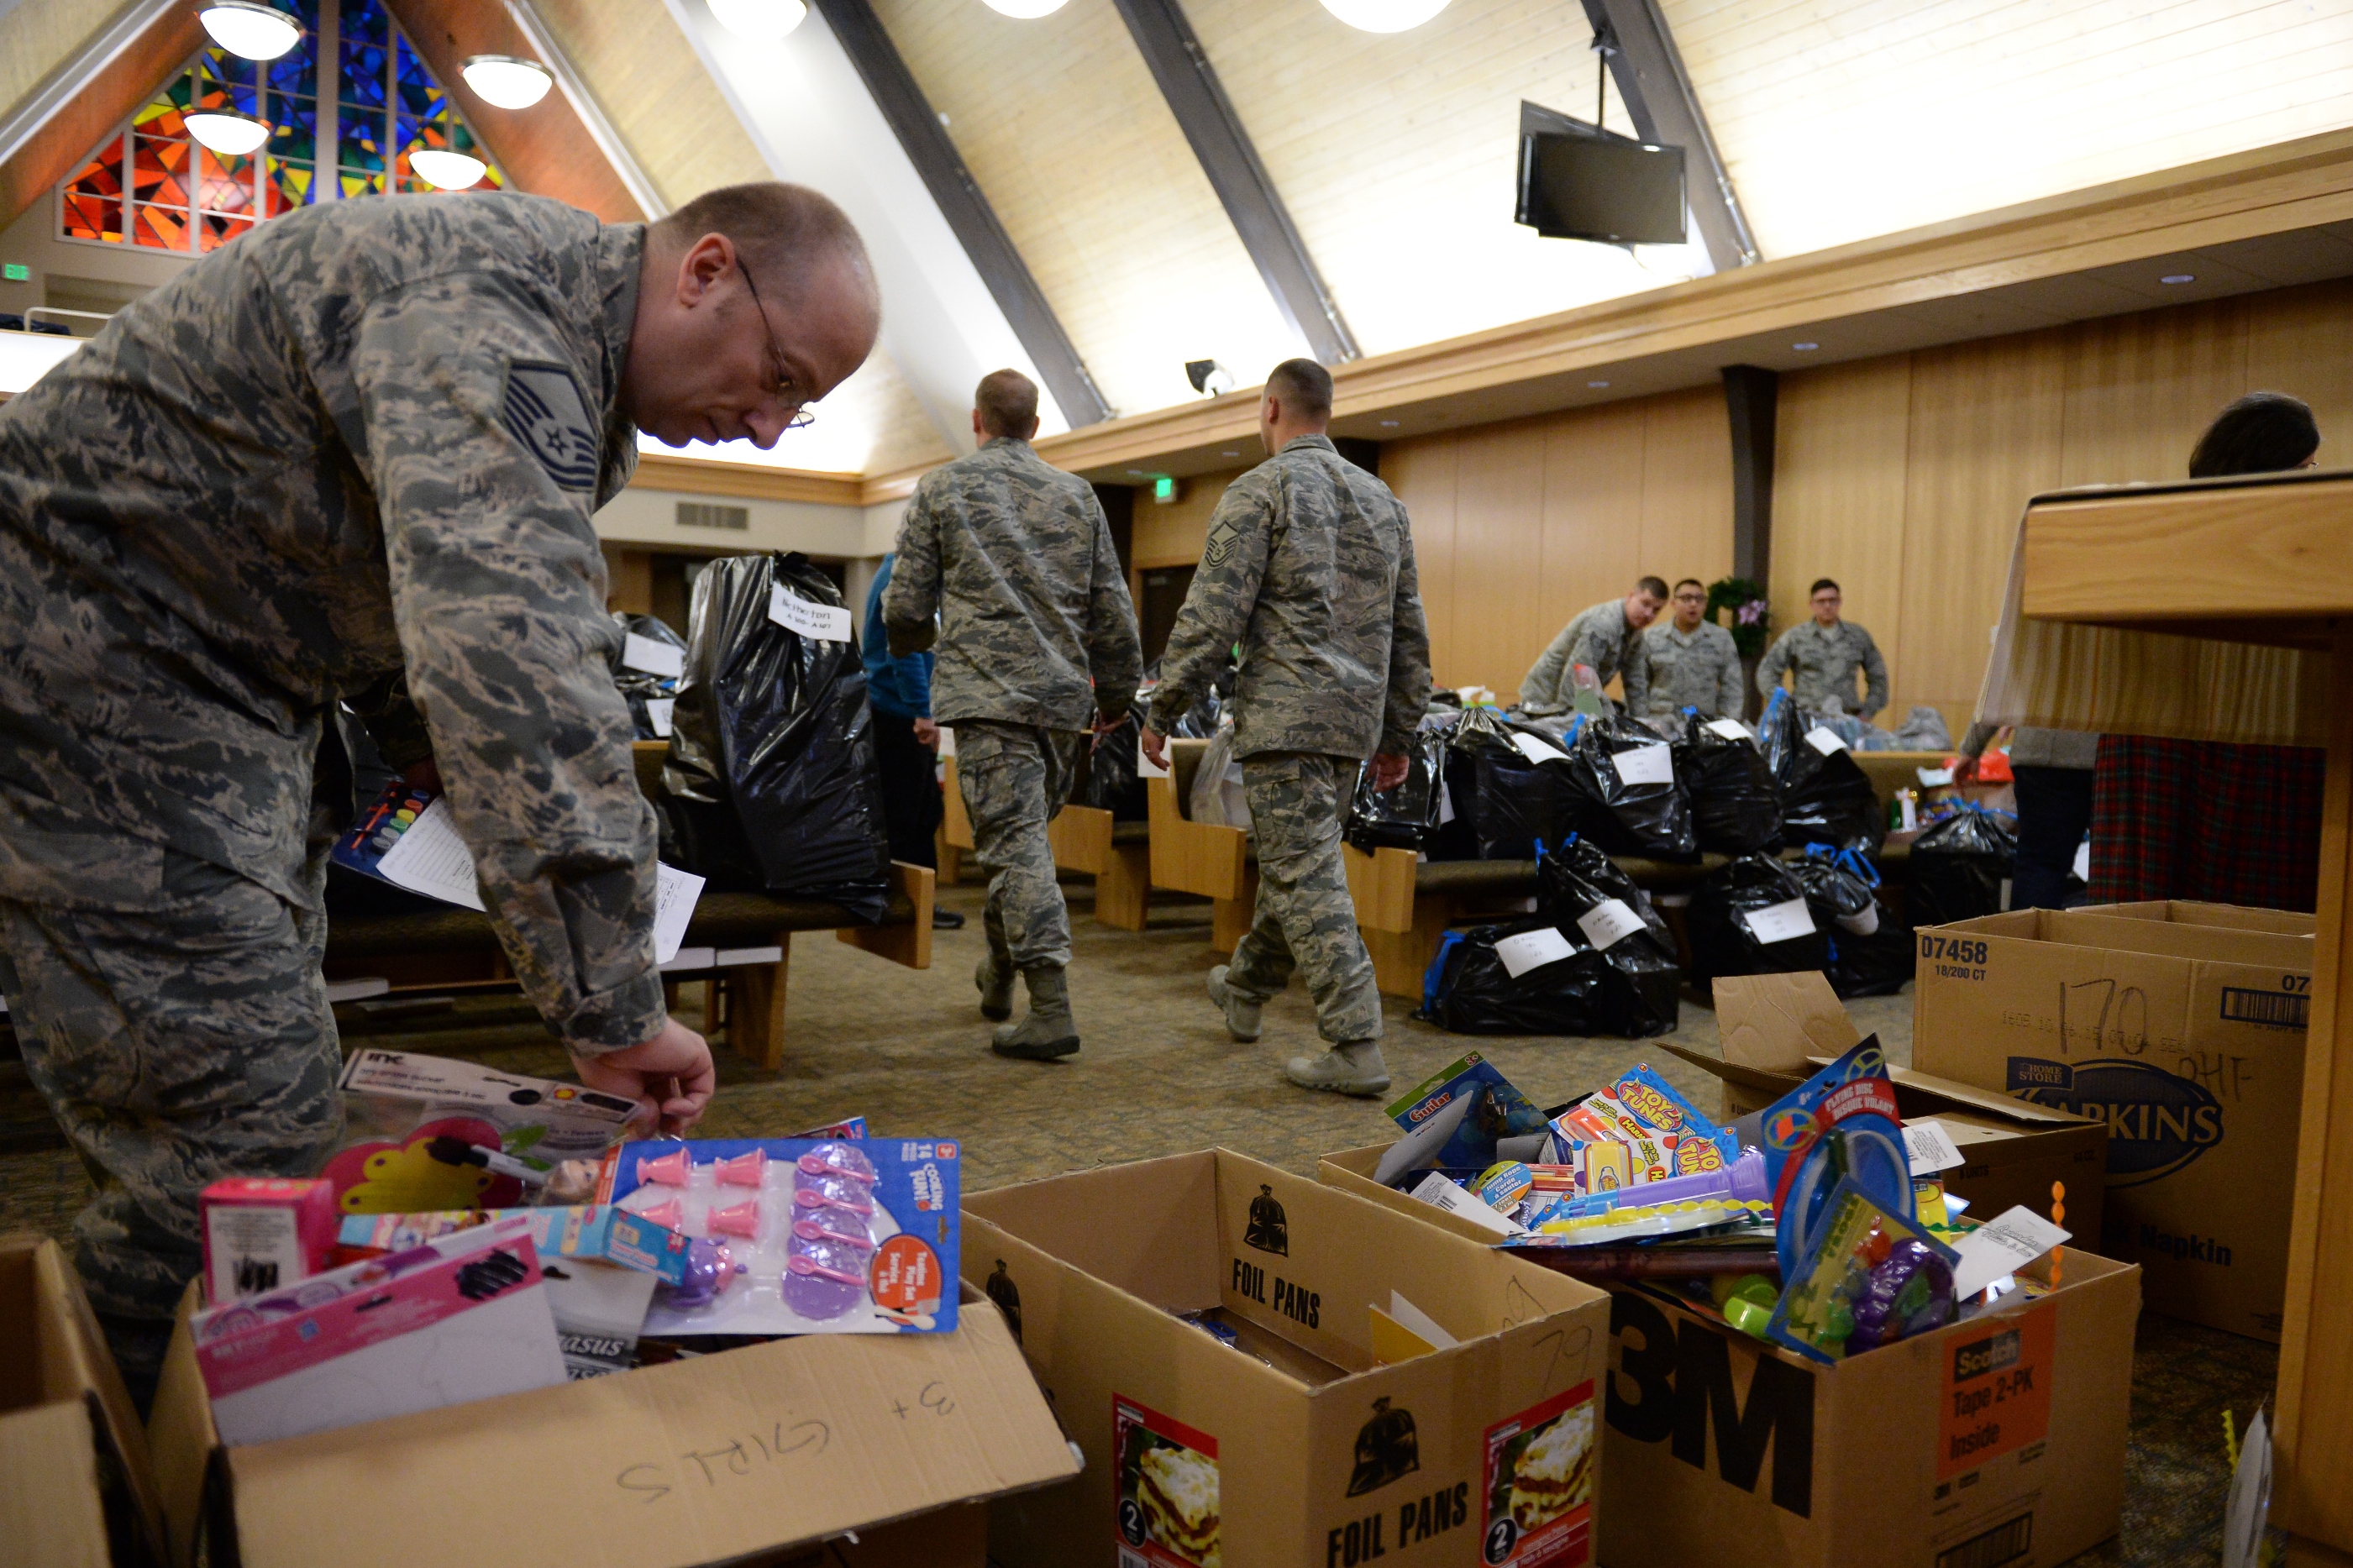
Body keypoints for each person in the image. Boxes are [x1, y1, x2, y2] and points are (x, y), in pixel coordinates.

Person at [0, 181, 881, 1398]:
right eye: (782, 375)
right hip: (89, 677)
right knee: (228, 1158)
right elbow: (516, 657)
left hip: (197, 693)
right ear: (706, 271)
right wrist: (616, 1006)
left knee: (247, 1117)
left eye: (804, 404)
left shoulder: (564, 357)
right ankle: (93, 1475)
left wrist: (426, 754)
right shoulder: (492, 311)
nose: (775, 426)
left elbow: (407, 584)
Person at [1142, 359, 1431, 1097]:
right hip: (1352, 728)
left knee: (1304, 876)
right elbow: (1408, 631)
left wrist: (1163, 706)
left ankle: (1355, 1042)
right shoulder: (1383, 502)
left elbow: (1212, 615)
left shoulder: (1259, 491)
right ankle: (1243, 986)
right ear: (1324, 412)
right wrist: (1398, 732)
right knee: (1299, 868)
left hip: (1283, 719)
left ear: (1270, 409)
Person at [883, 369, 1142, 1061]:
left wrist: (918, 644)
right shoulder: (1077, 494)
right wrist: (1116, 696)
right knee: (1018, 839)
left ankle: (1050, 1007)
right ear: (1034, 427)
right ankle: (997, 975)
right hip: (1063, 707)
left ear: (977, 421)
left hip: (989, 698)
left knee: (1016, 845)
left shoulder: (945, 487)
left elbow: (904, 605)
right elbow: (1112, 610)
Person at [2083, 391, 2326, 910]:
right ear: (2272, 467)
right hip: (2251, 737)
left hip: (2156, 738)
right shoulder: (2292, 551)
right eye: (2307, 466)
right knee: (2254, 925)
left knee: (2147, 913)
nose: (2315, 478)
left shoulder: (2160, 536)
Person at [860, 553, 963, 930]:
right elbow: (904, 652)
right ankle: (903, 906)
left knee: (924, 811)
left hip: (903, 710)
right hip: (897, 712)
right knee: (905, 815)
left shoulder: (904, 570)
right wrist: (923, 710)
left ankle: (917, 902)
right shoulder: (903, 575)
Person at [1520, 578, 1667, 715]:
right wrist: (1571, 717)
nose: (1649, 614)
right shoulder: (1603, 624)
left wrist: (1641, 722)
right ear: (1630, 596)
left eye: (1656, 610)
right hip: (1545, 699)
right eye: (1645, 604)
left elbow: (1636, 681)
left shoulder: (1636, 633)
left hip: (1570, 698)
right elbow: (1578, 670)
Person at [1757, 578, 1888, 720]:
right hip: (1806, 719)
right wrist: (1784, 706)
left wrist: (1867, 712)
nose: (1827, 606)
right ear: (1812, 604)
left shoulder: (1857, 636)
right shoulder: (1796, 637)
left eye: (1832, 600)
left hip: (1846, 719)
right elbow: (1767, 671)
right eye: (1821, 601)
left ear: (1840, 602)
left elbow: (1878, 676)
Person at [1626, 578, 1743, 721]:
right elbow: (1637, 684)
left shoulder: (1721, 639)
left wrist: (1728, 724)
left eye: (1699, 599)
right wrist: (1637, 722)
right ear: (1674, 604)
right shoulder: (1651, 637)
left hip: (1703, 723)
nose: (1693, 604)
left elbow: (1733, 688)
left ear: (1705, 604)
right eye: (1686, 599)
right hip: (1660, 722)